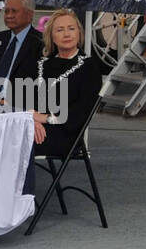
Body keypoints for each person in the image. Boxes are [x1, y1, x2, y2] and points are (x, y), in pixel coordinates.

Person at [31, 9, 102, 156]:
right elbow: (28, 99)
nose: (67, 34)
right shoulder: (42, 63)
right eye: (60, 30)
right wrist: (32, 121)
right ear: (51, 35)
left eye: (71, 28)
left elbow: (81, 111)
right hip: (33, 126)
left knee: (13, 143)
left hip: (65, 133)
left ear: (79, 33)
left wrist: (45, 119)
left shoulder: (89, 67)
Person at [0, 0, 42, 107]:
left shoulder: (41, 44)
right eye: (6, 11)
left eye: (14, 11)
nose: (9, 15)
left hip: (18, 107)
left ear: (30, 15)